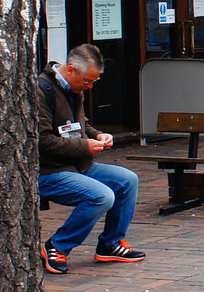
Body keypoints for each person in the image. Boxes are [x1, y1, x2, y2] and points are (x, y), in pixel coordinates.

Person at [38, 43, 143, 273]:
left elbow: (81, 124)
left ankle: (110, 244)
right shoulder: (41, 91)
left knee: (128, 180)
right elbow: (42, 141)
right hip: (50, 170)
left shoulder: (75, 88)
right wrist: (84, 146)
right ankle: (58, 245)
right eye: (87, 81)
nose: (90, 86)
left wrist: (97, 135)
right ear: (71, 69)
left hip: (79, 164)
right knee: (101, 196)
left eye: (94, 81)